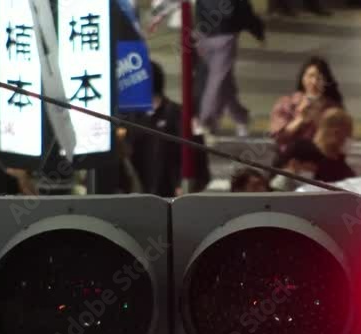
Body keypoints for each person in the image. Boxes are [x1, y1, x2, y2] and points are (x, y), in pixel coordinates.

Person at [193, 0, 265, 138]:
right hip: (205, 35)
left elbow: (243, 8)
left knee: (216, 80)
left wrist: (257, 31)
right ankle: (241, 118)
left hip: (224, 36)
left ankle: (205, 121)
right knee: (224, 82)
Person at [124, 61, 182, 197]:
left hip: (171, 195)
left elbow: (188, 155)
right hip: (139, 195)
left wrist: (180, 184)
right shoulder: (131, 116)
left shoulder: (175, 114)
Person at [270, 57, 344, 153]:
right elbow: (278, 137)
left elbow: (340, 140)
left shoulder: (333, 108)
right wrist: (300, 119)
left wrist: (319, 119)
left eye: (319, 78)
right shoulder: (286, 103)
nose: (314, 82)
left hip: (322, 161)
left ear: (326, 82)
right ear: (303, 78)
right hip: (290, 161)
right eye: (310, 76)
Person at [313, 108, 356, 183]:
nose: (350, 138)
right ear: (335, 132)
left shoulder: (339, 161)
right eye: (348, 134)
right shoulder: (313, 163)